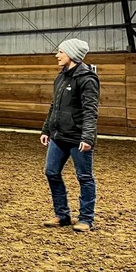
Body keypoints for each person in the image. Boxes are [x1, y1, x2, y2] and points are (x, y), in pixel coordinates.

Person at [40, 38, 99, 233]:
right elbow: (53, 106)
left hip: (78, 138)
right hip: (58, 136)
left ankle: (86, 219)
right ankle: (62, 215)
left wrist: (87, 137)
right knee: (51, 172)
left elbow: (90, 111)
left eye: (61, 52)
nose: (57, 55)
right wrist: (47, 129)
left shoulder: (87, 79)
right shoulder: (60, 77)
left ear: (72, 55)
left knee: (84, 177)